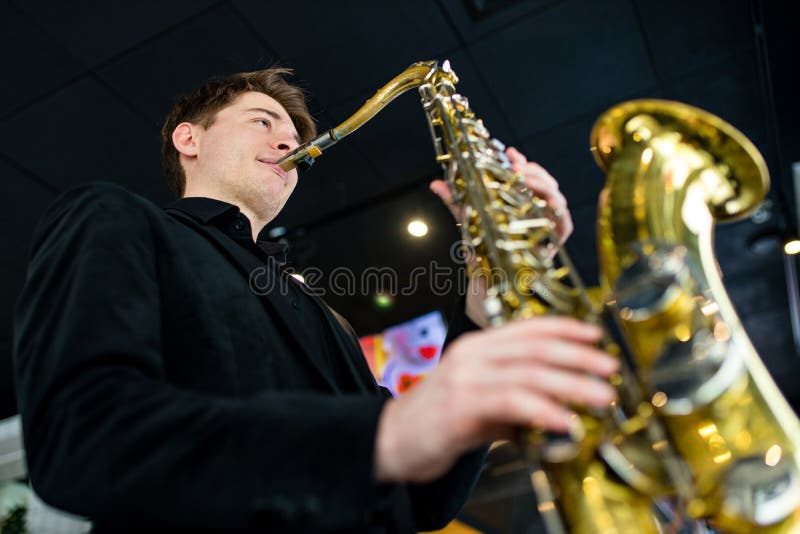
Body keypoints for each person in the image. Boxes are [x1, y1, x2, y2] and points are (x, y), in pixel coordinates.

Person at [13, 68, 618, 533]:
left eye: (295, 133)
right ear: (188, 138)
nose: (291, 140)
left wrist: (492, 282)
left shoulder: (326, 318)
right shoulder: (113, 217)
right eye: (262, 120)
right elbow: (82, 439)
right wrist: (386, 435)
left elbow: (426, 501)